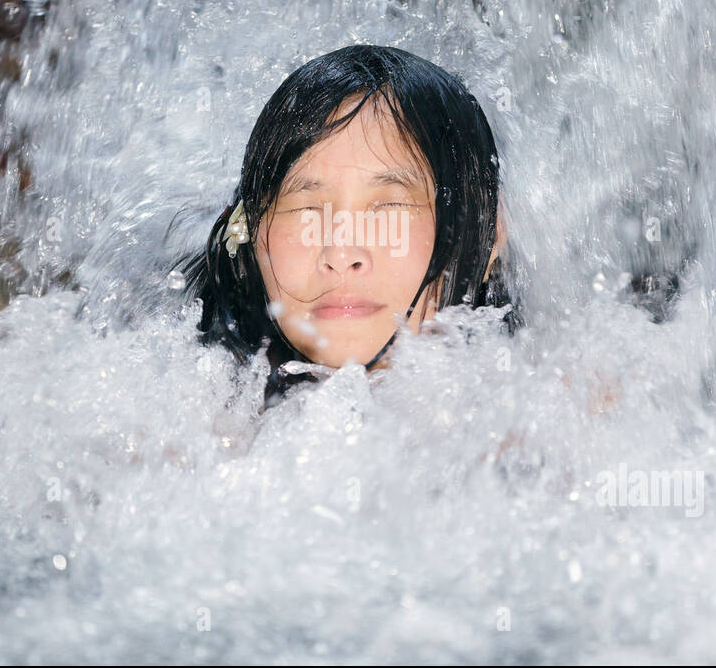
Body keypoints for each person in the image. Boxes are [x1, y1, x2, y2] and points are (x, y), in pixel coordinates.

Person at [180, 44, 514, 404]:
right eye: (306, 208)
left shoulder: (553, 417)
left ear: (489, 231)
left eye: (390, 205)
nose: (340, 253)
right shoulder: (182, 412)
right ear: (249, 233)